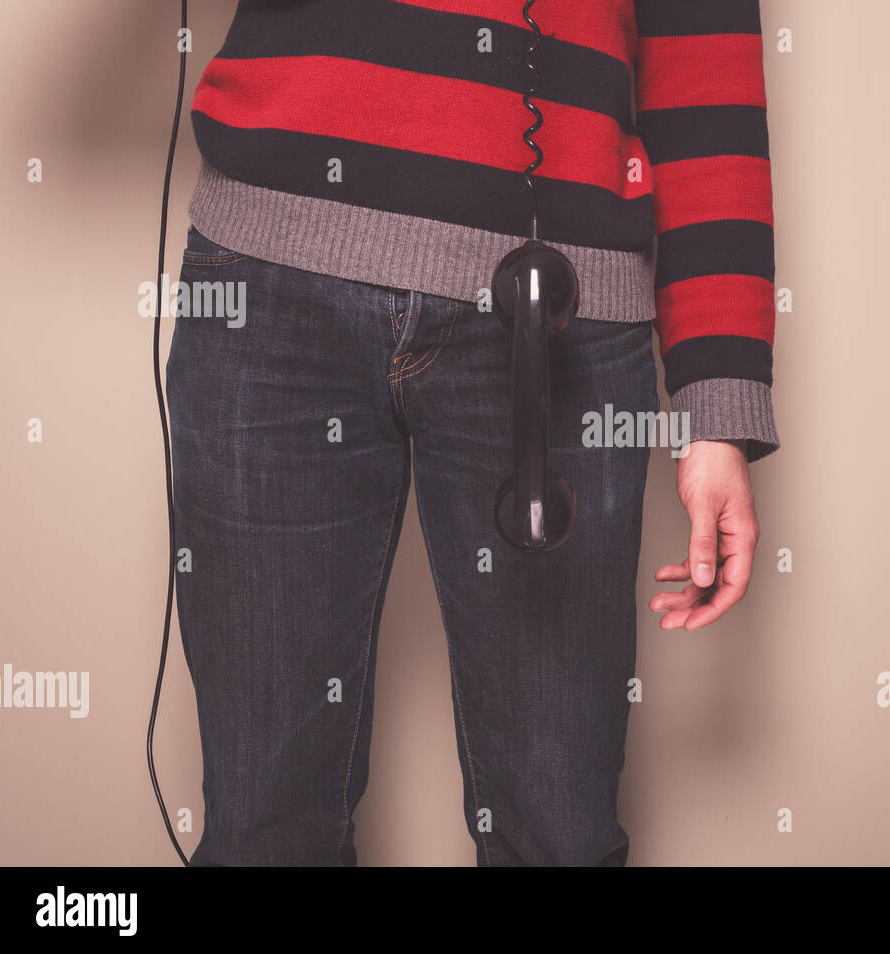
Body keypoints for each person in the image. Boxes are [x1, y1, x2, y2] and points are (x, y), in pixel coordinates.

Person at [167, 0, 778, 866]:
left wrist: (717, 407)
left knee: (558, 832)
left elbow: (704, 59)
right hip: (271, 278)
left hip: (558, 308)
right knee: (262, 831)